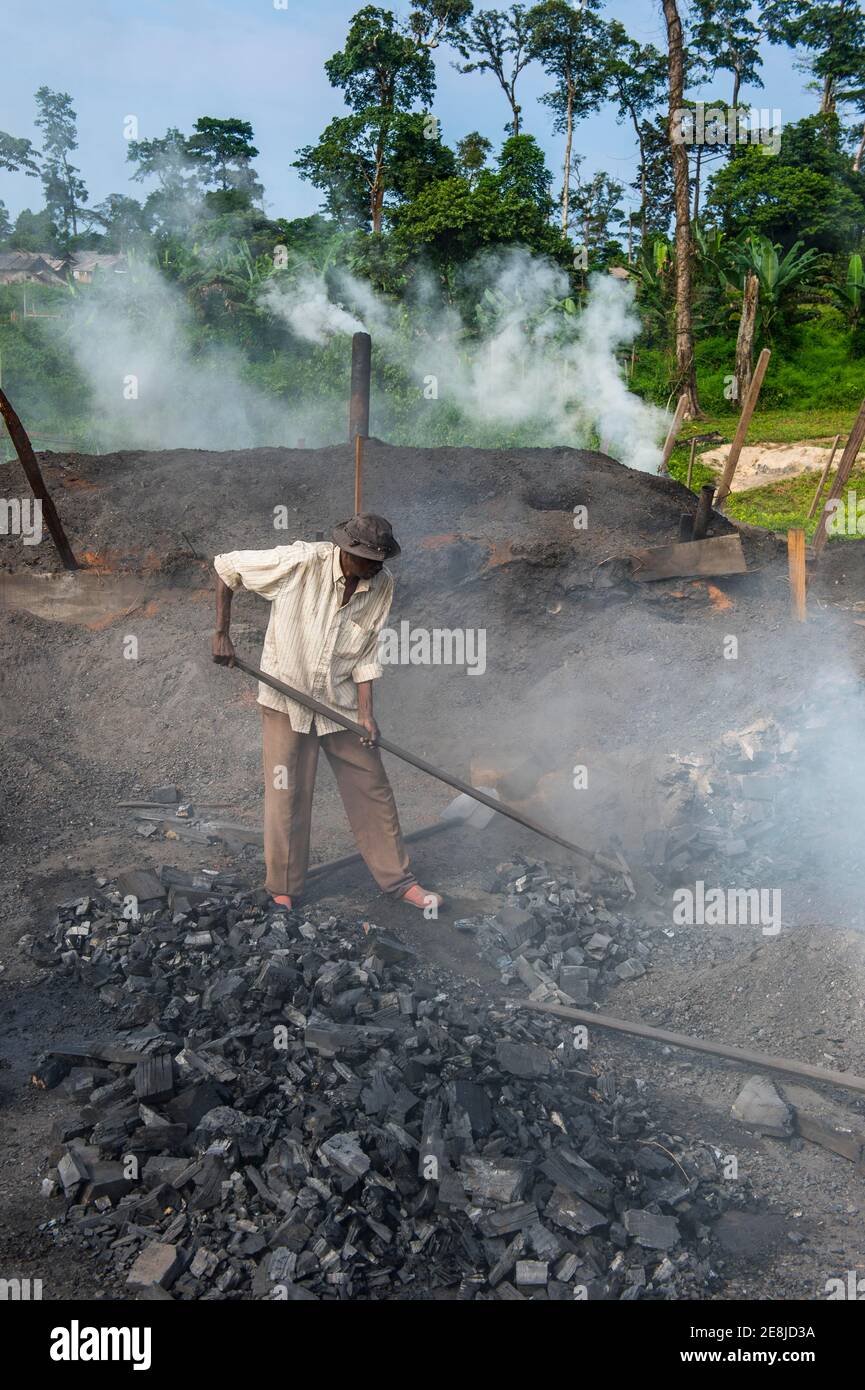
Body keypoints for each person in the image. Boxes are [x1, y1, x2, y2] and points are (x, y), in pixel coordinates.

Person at [211, 513, 442, 913]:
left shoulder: (381, 584)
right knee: (288, 792)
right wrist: (221, 633)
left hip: (340, 700)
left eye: (380, 561)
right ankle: (283, 889)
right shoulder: (301, 562)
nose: (374, 568)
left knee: (372, 787)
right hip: (287, 696)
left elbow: (366, 654)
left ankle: (399, 881)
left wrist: (367, 715)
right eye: (367, 560)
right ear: (345, 551)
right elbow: (226, 566)